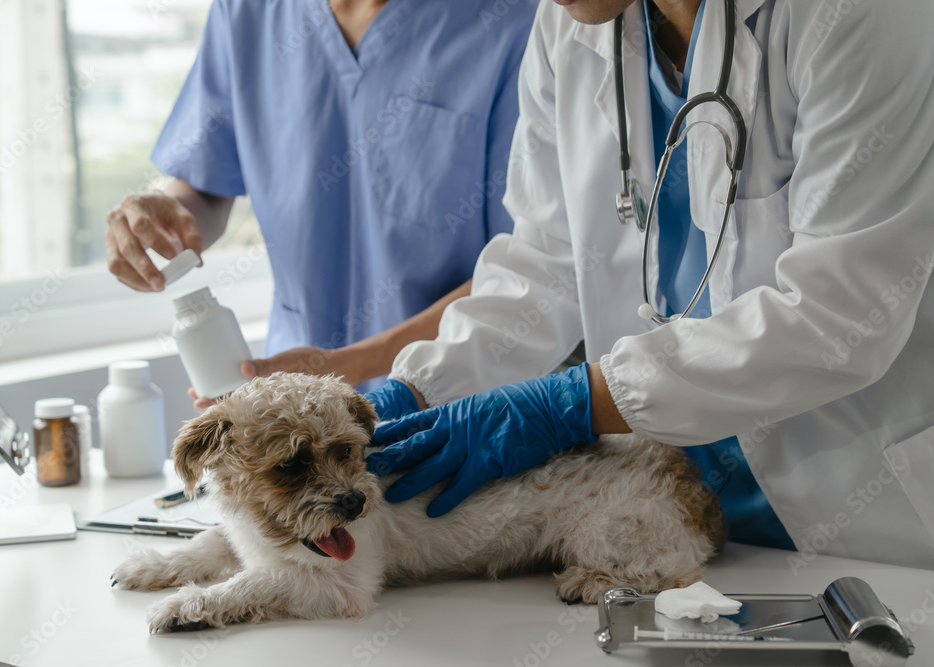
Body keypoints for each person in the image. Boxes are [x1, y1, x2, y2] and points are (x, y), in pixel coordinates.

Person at [366, 0, 934, 569]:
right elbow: (549, 260)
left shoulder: (860, 14)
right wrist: (422, 390)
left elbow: (839, 316)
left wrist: (573, 403)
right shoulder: (571, 23)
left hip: (858, 523)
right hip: (668, 515)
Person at [105, 0, 538, 405]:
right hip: (292, 403)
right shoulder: (246, 12)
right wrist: (161, 218)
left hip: (452, 397)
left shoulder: (514, 20)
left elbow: (528, 262)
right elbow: (205, 186)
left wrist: (345, 366)